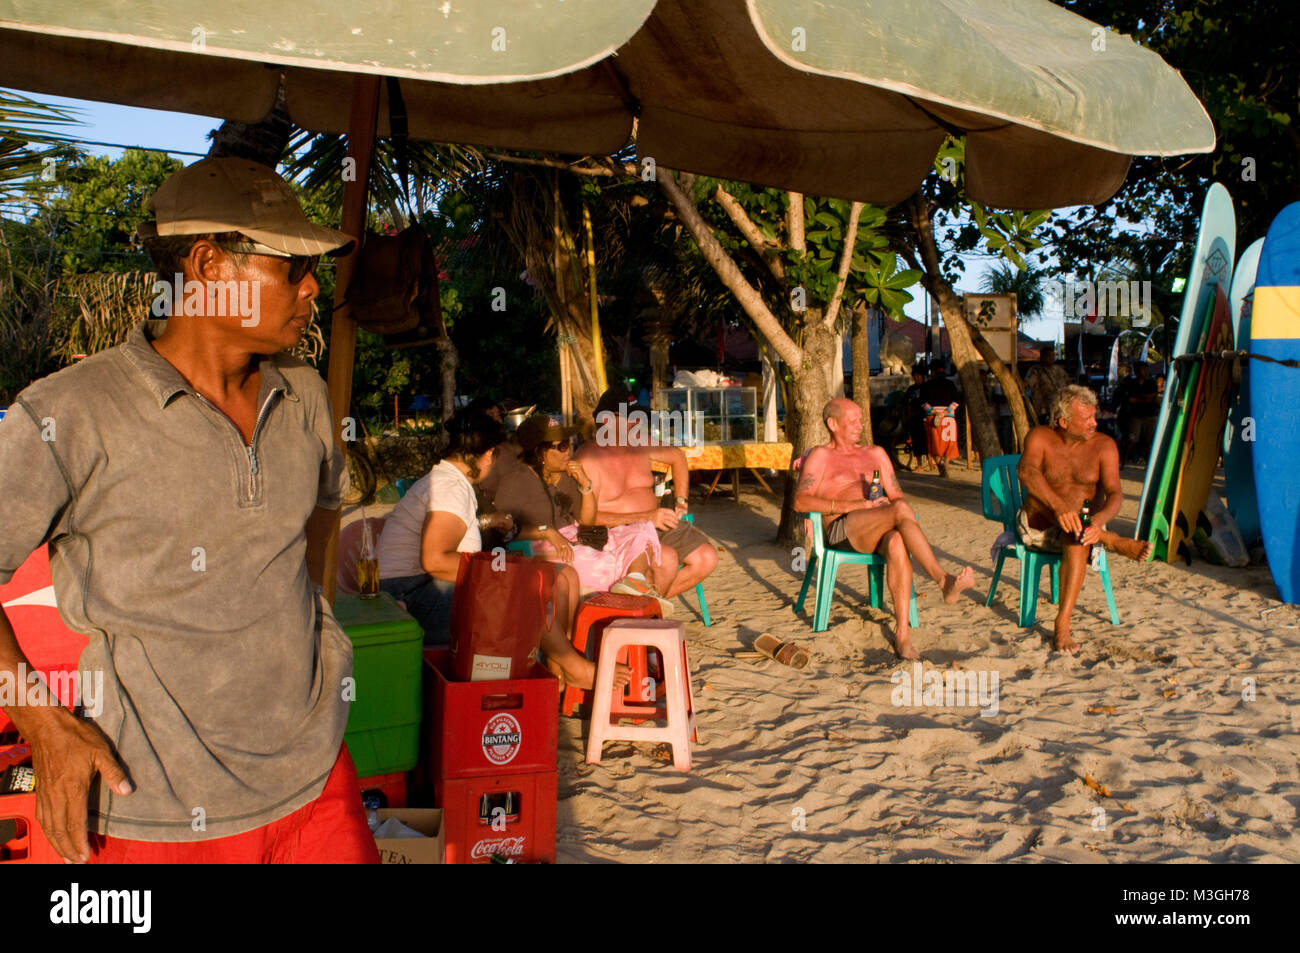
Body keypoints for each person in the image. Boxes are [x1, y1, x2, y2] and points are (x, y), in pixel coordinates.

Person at [0, 157, 378, 863]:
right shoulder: (71, 412)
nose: (310, 289)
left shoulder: (303, 397)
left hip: (316, 781)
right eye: (291, 265)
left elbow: (319, 531)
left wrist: (322, 649)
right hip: (155, 812)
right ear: (207, 265)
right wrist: (43, 724)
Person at [794, 398, 975, 659]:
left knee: (897, 541)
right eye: (853, 420)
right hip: (840, 529)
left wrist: (885, 510)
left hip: (877, 526)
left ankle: (902, 636)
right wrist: (854, 504)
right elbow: (801, 501)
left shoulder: (875, 453)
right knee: (901, 511)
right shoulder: (822, 456)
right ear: (833, 424)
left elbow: (897, 495)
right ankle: (943, 580)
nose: (860, 425)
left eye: (861, 419)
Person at [1018, 385, 1151, 654]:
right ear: (1064, 422)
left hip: (1084, 527)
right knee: (1046, 504)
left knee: (1077, 536)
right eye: (1087, 419)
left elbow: (1115, 493)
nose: (1094, 423)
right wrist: (1058, 507)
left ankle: (1062, 622)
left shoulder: (1104, 446)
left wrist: (1100, 519)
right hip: (1039, 523)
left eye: (1094, 416)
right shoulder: (1040, 437)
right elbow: (1026, 471)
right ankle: (1111, 540)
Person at [493, 414, 670, 613]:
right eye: (560, 446)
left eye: (568, 444)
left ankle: (634, 584)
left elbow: (587, 519)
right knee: (607, 562)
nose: (568, 451)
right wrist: (547, 532)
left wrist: (586, 485)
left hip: (575, 538)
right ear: (538, 451)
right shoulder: (515, 481)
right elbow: (502, 528)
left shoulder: (566, 477)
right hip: (542, 547)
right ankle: (633, 596)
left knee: (640, 532)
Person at [576, 384, 719, 602]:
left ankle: (650, 605)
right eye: (630, 418)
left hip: (656, 522)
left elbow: (677, 457)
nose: (637, 423)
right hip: (619, 530)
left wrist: (681, 500)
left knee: (706, 558)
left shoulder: (639, 444)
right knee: (666, 560)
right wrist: (646, 517)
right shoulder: (588, 459)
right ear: (607, 420)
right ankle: (646, 609)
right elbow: (585, 518)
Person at [920, 362, 960, 476]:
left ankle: (940, 466)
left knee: (935, 444)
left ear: (932, 372)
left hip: (933, 418)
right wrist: (945, 412)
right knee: (950, 444)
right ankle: (945, 465)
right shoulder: (951, 384)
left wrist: (933, 411)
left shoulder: (926, 385)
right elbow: (957, 401)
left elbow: (922, 402)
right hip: (949, 418)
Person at [1116, 361, 1158, 466]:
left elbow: (1152, 397)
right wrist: (1144, 398)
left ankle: (1149, 463)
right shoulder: (1131, 383)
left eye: (1145, 369)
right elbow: (1130, 399)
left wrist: (1140, 398)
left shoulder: (1151, 383)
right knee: (1132, 439)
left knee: (1148, 441)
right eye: (1141, 369)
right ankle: (1124, 461)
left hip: (1149, 415)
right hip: (1135, 416)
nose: (1144, 372)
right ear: (1136, 371)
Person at [1024, 345, 1070, 425]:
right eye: (1049, 356)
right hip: (1044, 410)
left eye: (1053, 356)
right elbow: (1027, 382)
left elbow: (1068, 382)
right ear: (1042, 357)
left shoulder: (1058, 369)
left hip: (1060, 408)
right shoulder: (1035, 370)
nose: (1052, 358)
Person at [903, 366, 931, 471]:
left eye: (918, 376)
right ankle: (919, 464)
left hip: (925, 416)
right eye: (915, 376)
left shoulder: (927, 387)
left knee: (927, 440)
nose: (916, 378)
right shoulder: (911, 389)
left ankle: (930, 462)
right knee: (916, 441)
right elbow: (905, 400)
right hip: (914, 417)